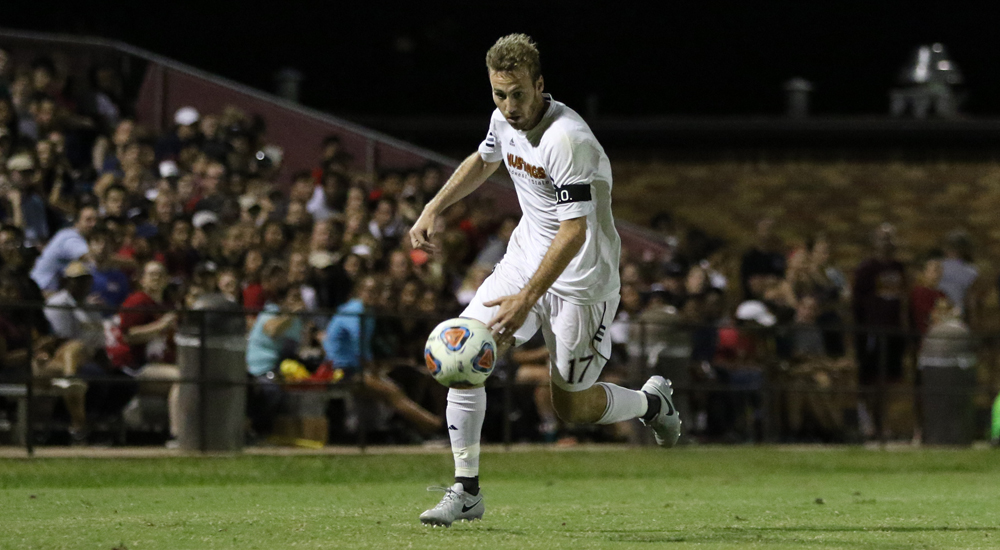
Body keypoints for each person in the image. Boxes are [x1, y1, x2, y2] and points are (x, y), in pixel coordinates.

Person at [409, 34, 680, 527]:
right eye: (498, 94)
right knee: (465, 352)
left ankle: (650, 401)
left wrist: (528, 298)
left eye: (518, 94)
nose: (508, 106)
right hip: (523, 261)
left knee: (571, 408)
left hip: (582, 283)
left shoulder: (567, 140)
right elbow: (484, 159)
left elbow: (574, 233)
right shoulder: (501, 119)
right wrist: (434, 206)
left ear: (540, 85)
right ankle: (465, 490)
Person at [322, 276, 443, 437]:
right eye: (369, 290)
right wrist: (373, 371)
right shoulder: (354, 311)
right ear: (359, 291)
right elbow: (358, 346)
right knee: (392, 392)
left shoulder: (368, 312)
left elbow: (365, 349)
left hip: (357, 368)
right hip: (342, 371)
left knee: (405, 382)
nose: (372, 294)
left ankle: (424, 430)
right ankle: (439, 428)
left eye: (376, 291)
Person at [30, 205, 98, 293]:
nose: (94, 224)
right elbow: (93, 258)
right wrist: (121, 262)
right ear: (77, 222)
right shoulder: (70, 237)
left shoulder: (82, 239)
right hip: (40, 289)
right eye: (88, 220)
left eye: (96, 220)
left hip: (51, 289)